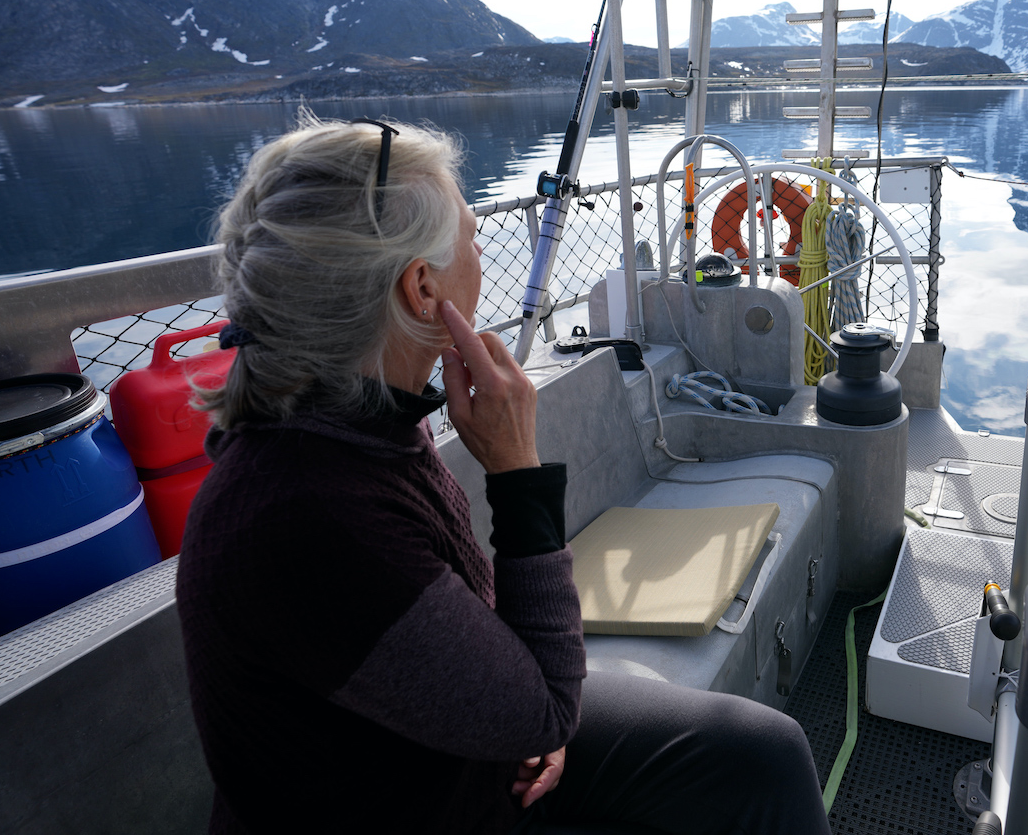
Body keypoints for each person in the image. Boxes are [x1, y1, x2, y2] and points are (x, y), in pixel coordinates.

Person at [176, 115, 831, 835]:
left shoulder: (355, 423)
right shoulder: (309, 515)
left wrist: (532, 711)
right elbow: (542, 711)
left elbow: (496, 668)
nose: (482, 251)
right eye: (471, 238)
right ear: (421, 288)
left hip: (463, 760)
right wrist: (516, 465)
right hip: (437, 807)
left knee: (761, 757)